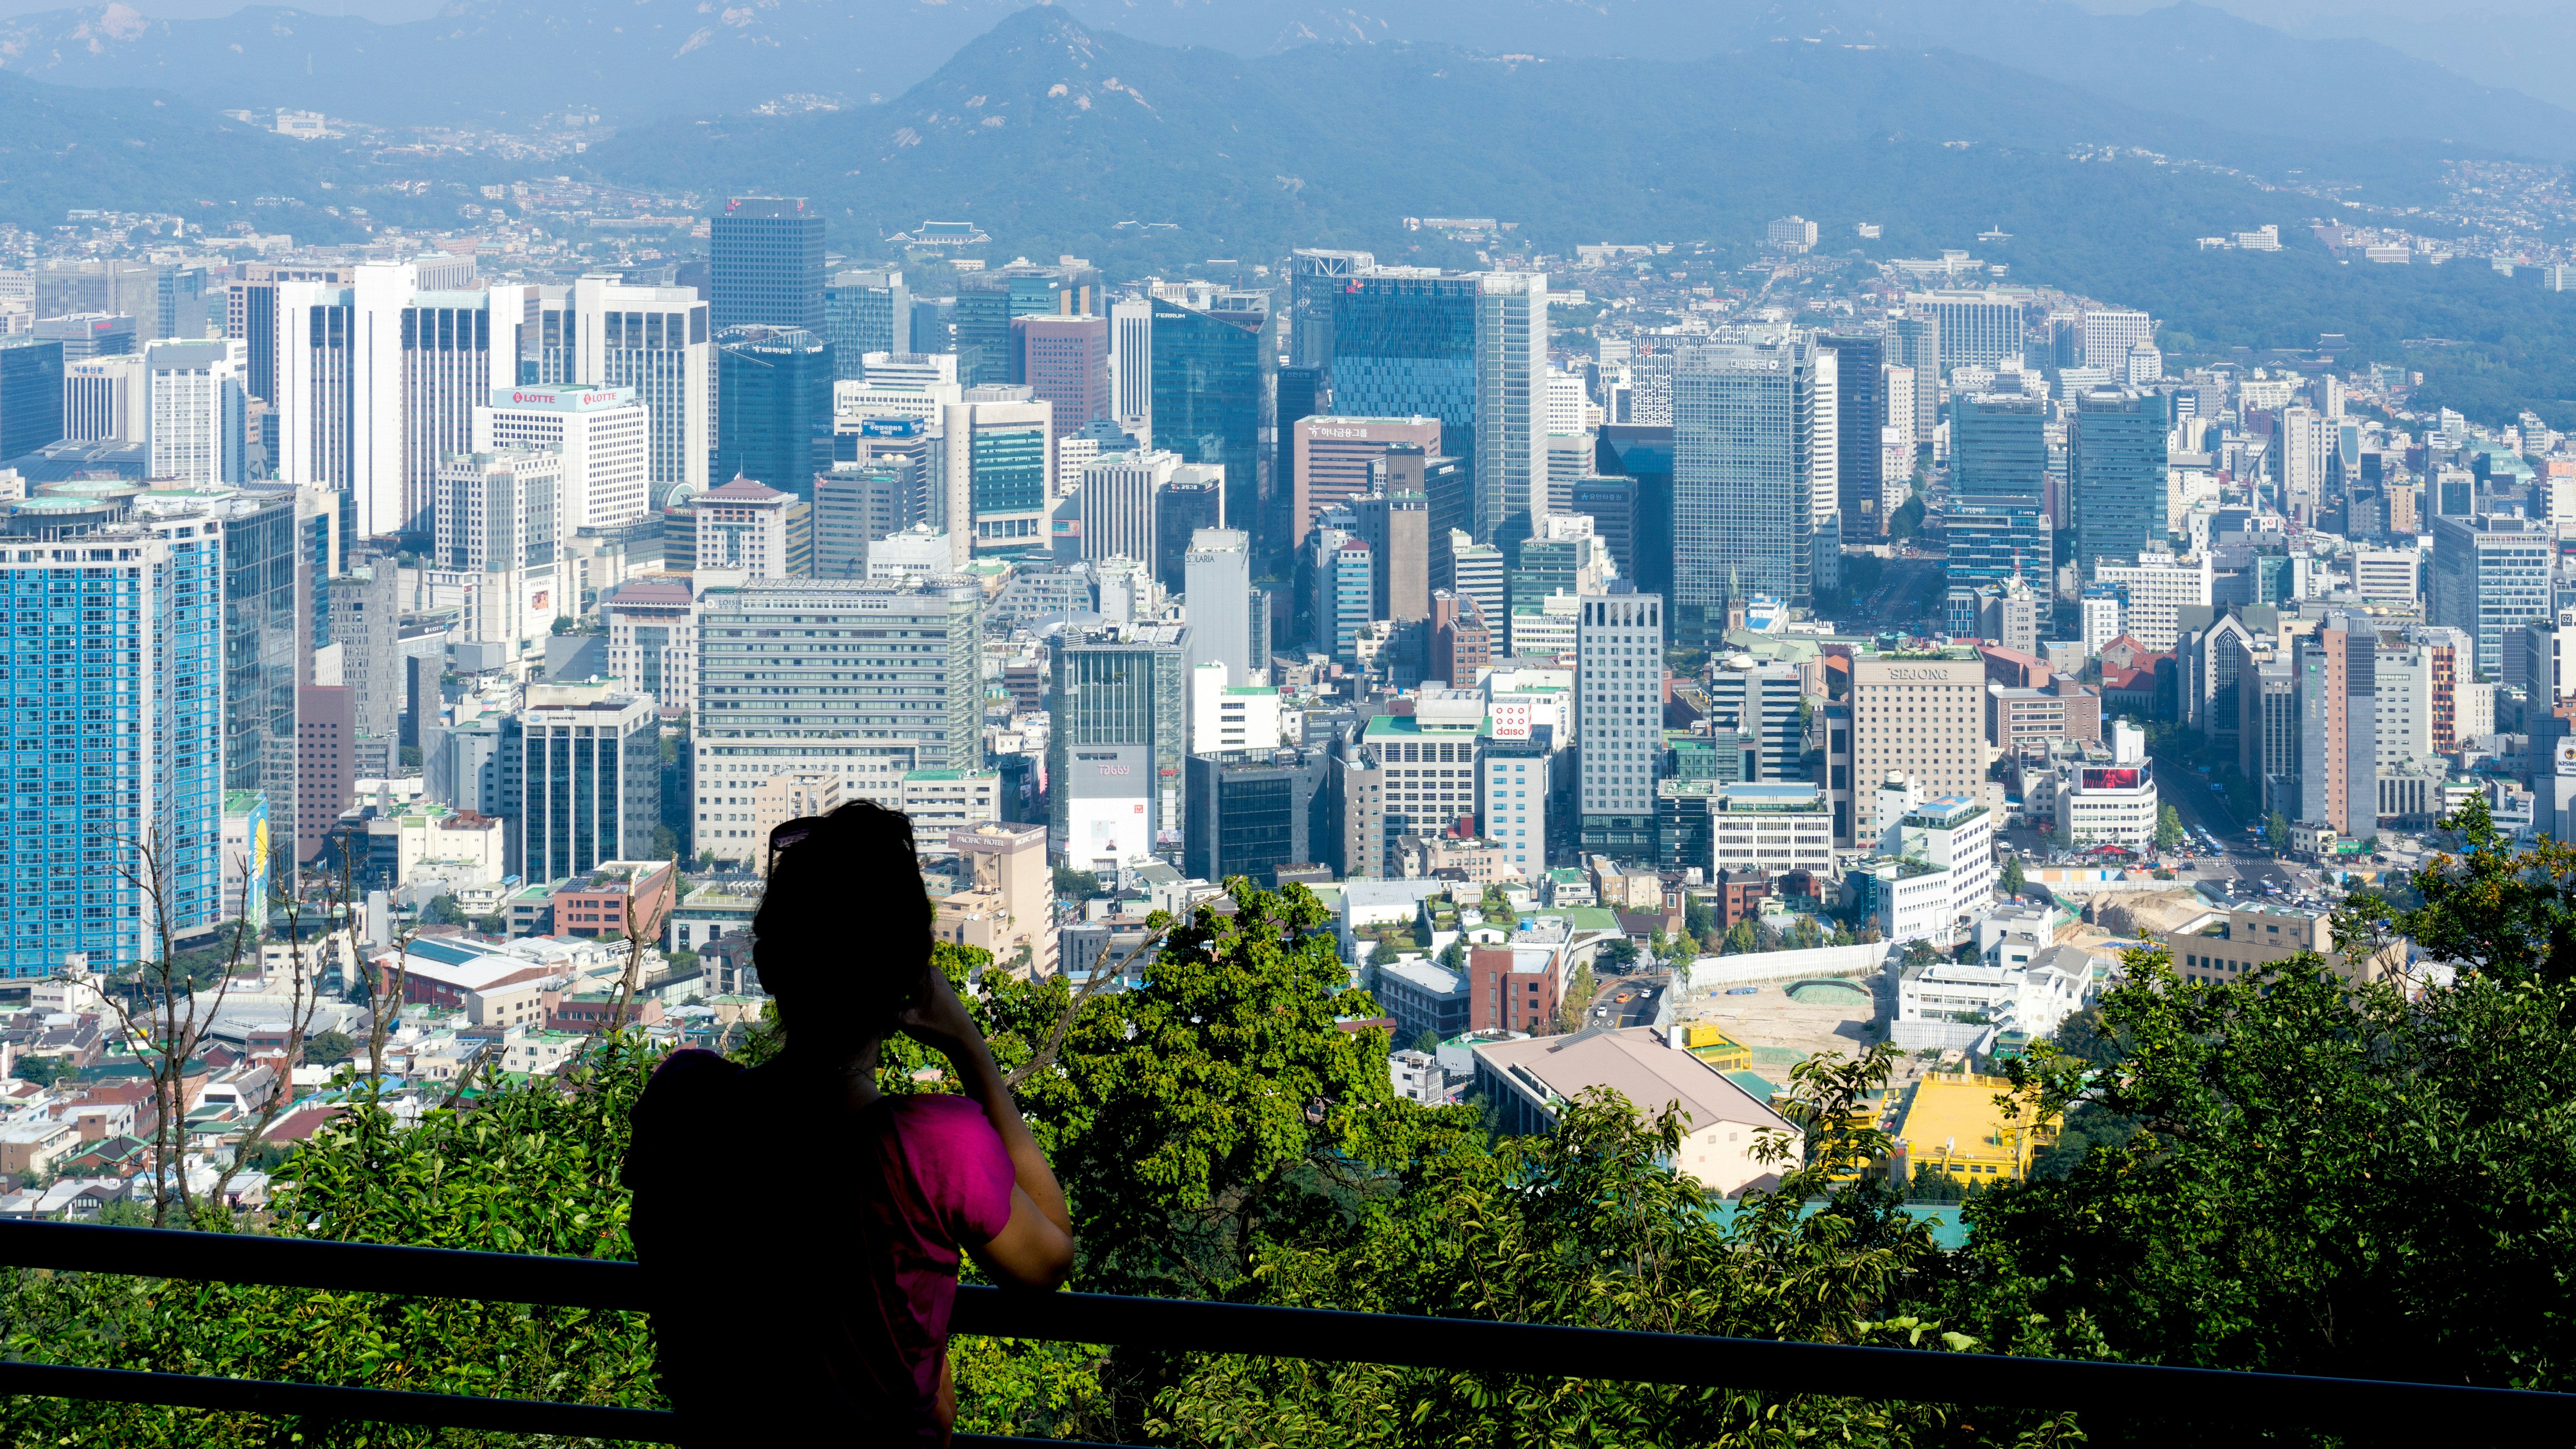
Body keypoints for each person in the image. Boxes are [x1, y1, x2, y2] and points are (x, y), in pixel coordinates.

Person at [625, 802, 1075, 1446]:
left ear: (769, 964)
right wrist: (971, 1049)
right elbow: (1049, 1259)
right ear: (909, 979)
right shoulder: (933, 1145)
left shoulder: (686, 1102)